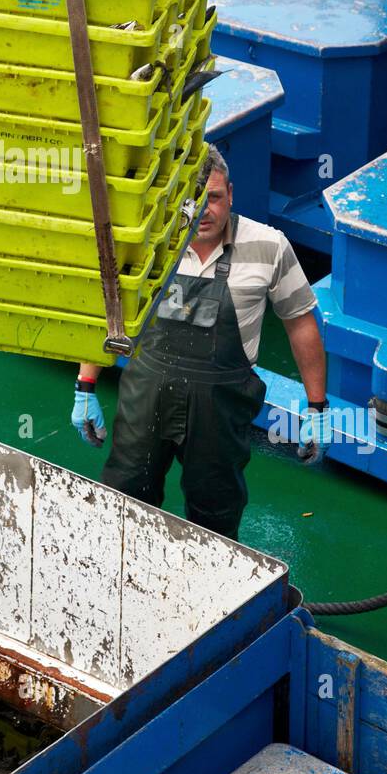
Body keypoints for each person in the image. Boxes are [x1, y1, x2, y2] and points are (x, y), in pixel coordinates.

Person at [71, 145, 328, 540]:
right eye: (191, 198)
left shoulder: (269, 245)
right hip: (147, 395)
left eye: (214, 197)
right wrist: (85, 385)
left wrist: (316, 407)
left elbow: (299, 323)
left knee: (215, 515)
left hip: (220, 406)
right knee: (123, 502)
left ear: (231, 194)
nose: (204, 210)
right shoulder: (145, 240)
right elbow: (110, 315)